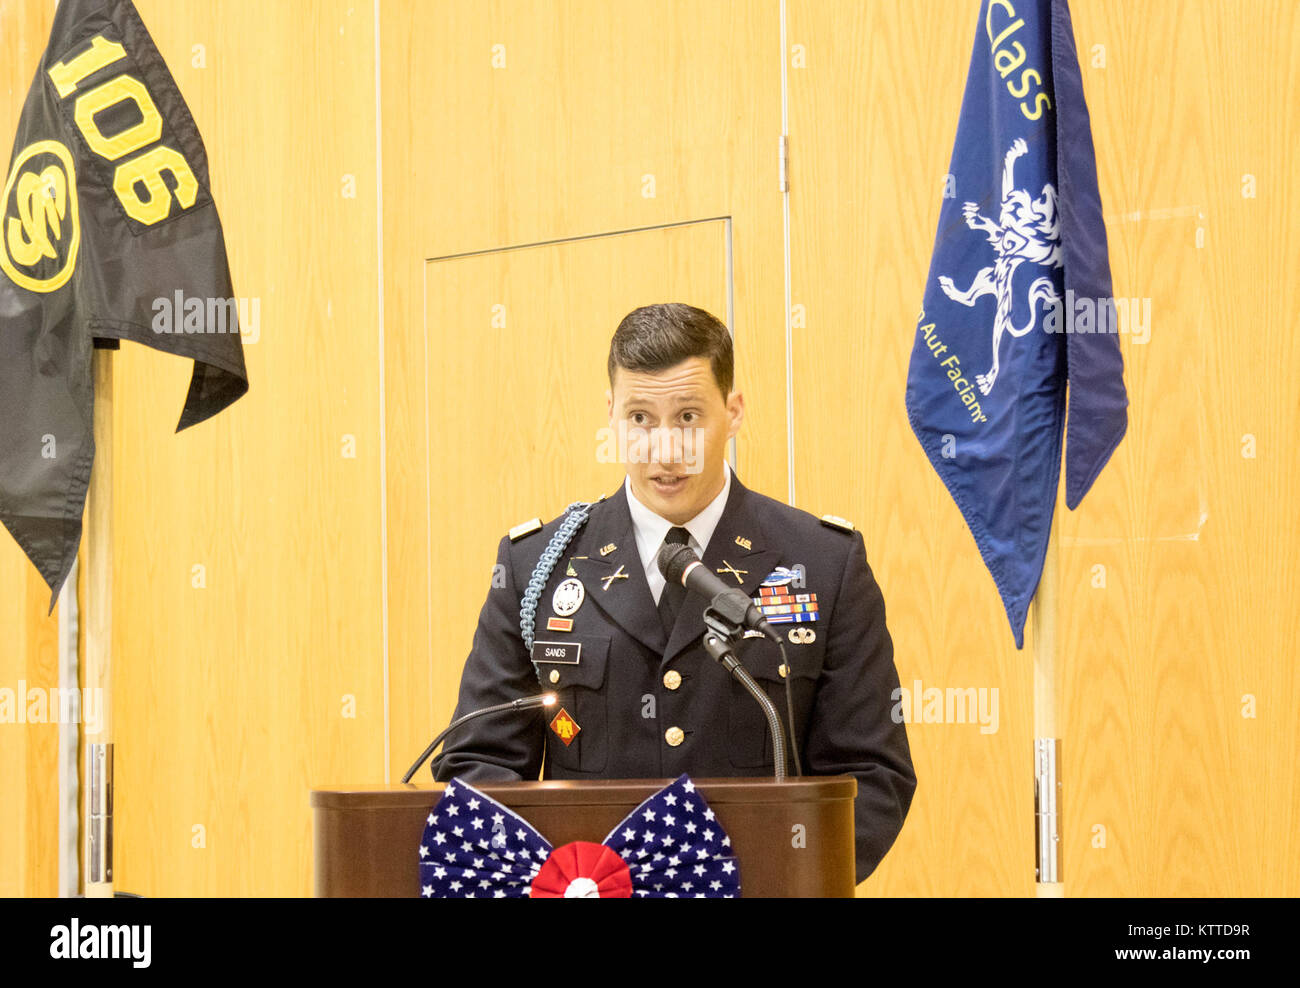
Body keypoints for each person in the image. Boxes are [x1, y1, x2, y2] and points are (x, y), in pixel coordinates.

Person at [432, 302, 915, 882]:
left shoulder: (823, 562)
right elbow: (479, 761)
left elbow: (870, 775)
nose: (664, 450)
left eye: (688, 416)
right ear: (610, 415)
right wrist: (562, 880)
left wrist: (756, 883)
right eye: (640, 418)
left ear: (733, 412)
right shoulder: (537, 563)